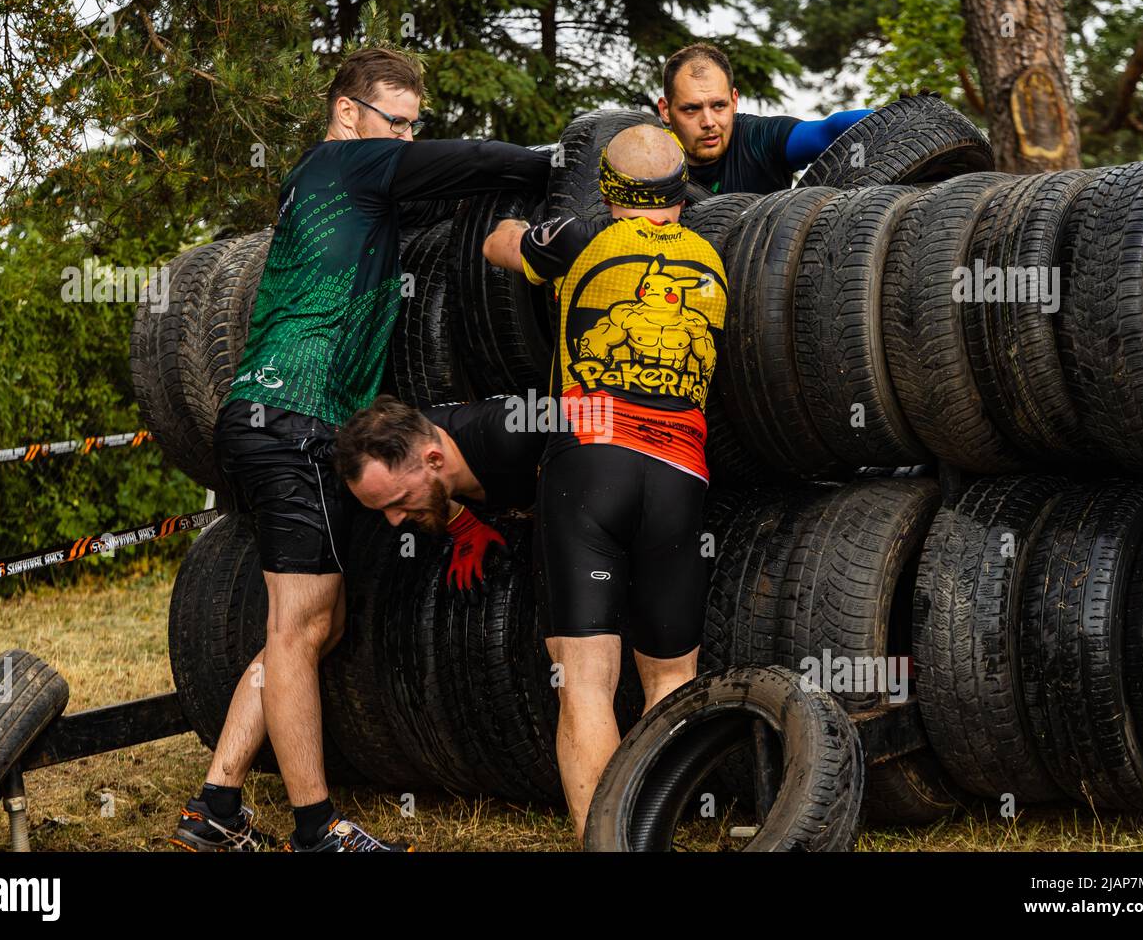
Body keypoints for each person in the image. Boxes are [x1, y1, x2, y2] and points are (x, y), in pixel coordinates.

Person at [170, 46, 550, 854]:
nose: (407, 142)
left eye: (416, 128)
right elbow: (477, 162)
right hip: (295, 418)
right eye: (397, 124)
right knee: (301, 629)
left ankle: (216, 805)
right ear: (351, 115)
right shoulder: (350, 165)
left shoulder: (331, 187)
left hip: (268, 419)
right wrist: (557, 159)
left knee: (312, 627)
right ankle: (317, 829)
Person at [481, 124, 727, 843]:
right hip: (682, 471)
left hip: (592, 460)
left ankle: (604, 842)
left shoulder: (581, 237)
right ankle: (660, 835)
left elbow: (501, 246)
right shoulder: (711, 258)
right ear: (680, 192)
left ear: (609, 192)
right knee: (672, 676)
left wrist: (512, 220)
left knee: (586, 674)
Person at [334, 394, 545, 604]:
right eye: (382, 508)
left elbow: (576, 410)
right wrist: (463, 526)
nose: (393, 520)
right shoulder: (415, 458)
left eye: (400, 500)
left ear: (434, 459)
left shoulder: (515, 430)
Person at [657, 41, 872, 195]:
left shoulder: (759, 139)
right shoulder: (648, 156)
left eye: (719, 105)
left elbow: (836, 130)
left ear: (734, 100)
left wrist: (898, 114)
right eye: (691, 109)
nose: (709, 122)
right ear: (666, 110)